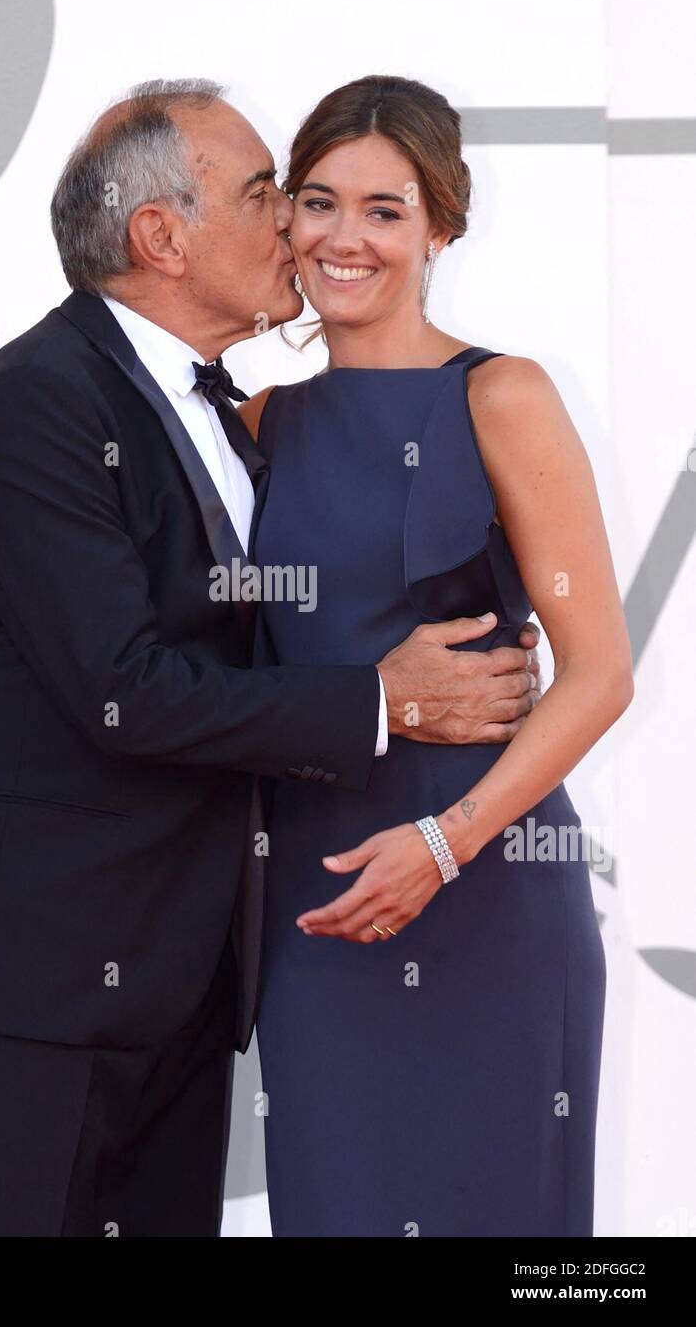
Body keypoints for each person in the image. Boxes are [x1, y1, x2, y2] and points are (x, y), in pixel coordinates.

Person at [0, 78, 543, 1238]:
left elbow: (292, 620)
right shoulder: (42, 394)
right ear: (159, 236)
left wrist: (476, 642)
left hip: (184, 993)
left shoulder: (233, 414)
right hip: (30, 1000)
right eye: (263, 194)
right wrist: (384, 702)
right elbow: (122, 692)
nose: (291, 223)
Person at [240, 74, 634, 1237]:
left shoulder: (500, 395)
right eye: (317, 203)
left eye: (384, 209)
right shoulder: (261, 424)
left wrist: (440, 843)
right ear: (283, 220)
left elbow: (600, 669)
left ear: (440, 228)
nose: (343, 238)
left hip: (488, 885)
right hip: (317, 906)